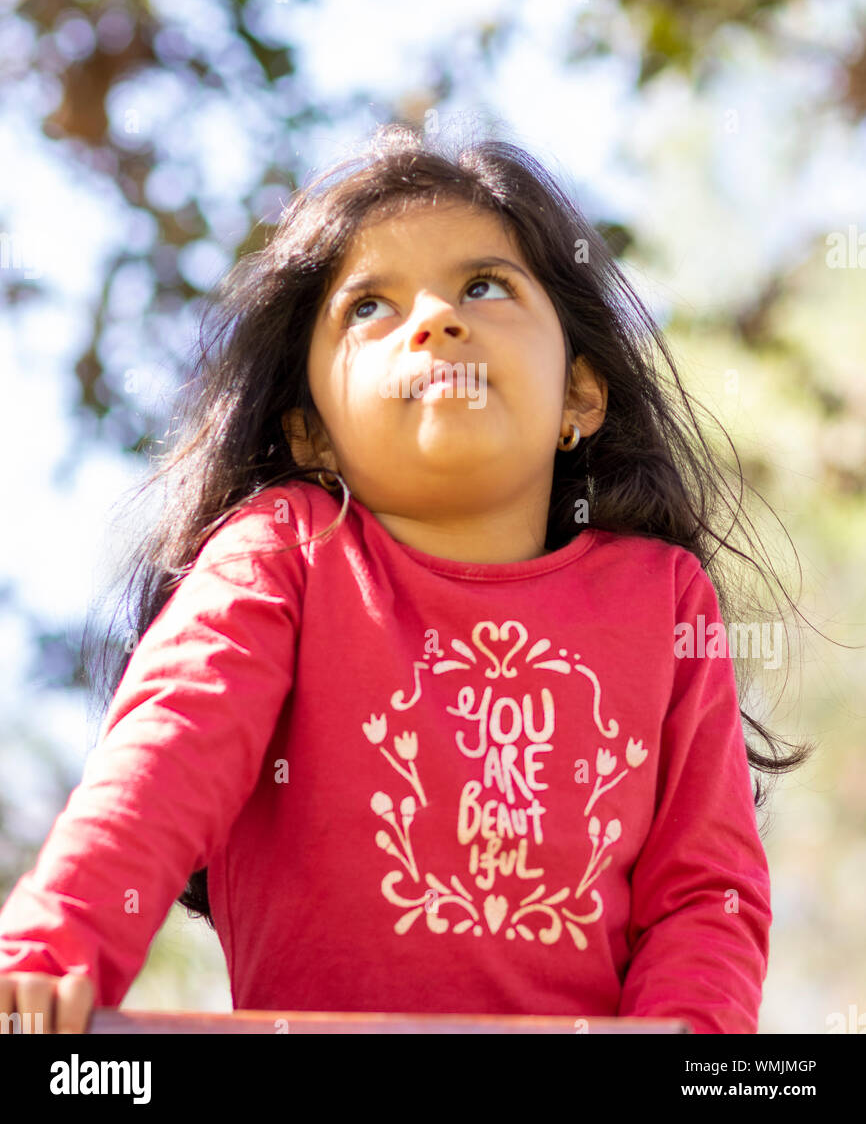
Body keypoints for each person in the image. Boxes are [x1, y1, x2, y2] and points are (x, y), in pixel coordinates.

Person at [0, 123, 816, 1035]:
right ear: (310, 435)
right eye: (369, 309)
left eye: (483, 285)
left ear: (580, 395)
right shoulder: (286, 554)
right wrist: (59, 940)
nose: (435, 318)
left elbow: (705, 888)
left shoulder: (659, 596)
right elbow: (169, 752)